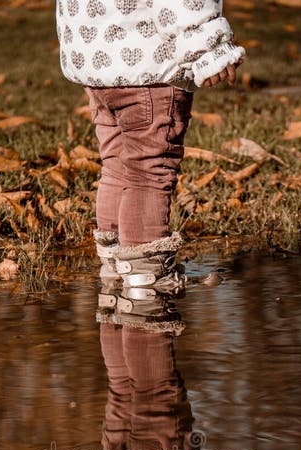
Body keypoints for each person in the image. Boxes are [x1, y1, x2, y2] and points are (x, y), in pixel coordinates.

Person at [56, 1, 245, 328]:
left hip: (100, 61)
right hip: (148, 65)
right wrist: (211, 47)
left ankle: (116, 270)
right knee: (148, 172)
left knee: (117, 165)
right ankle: (146, 285)